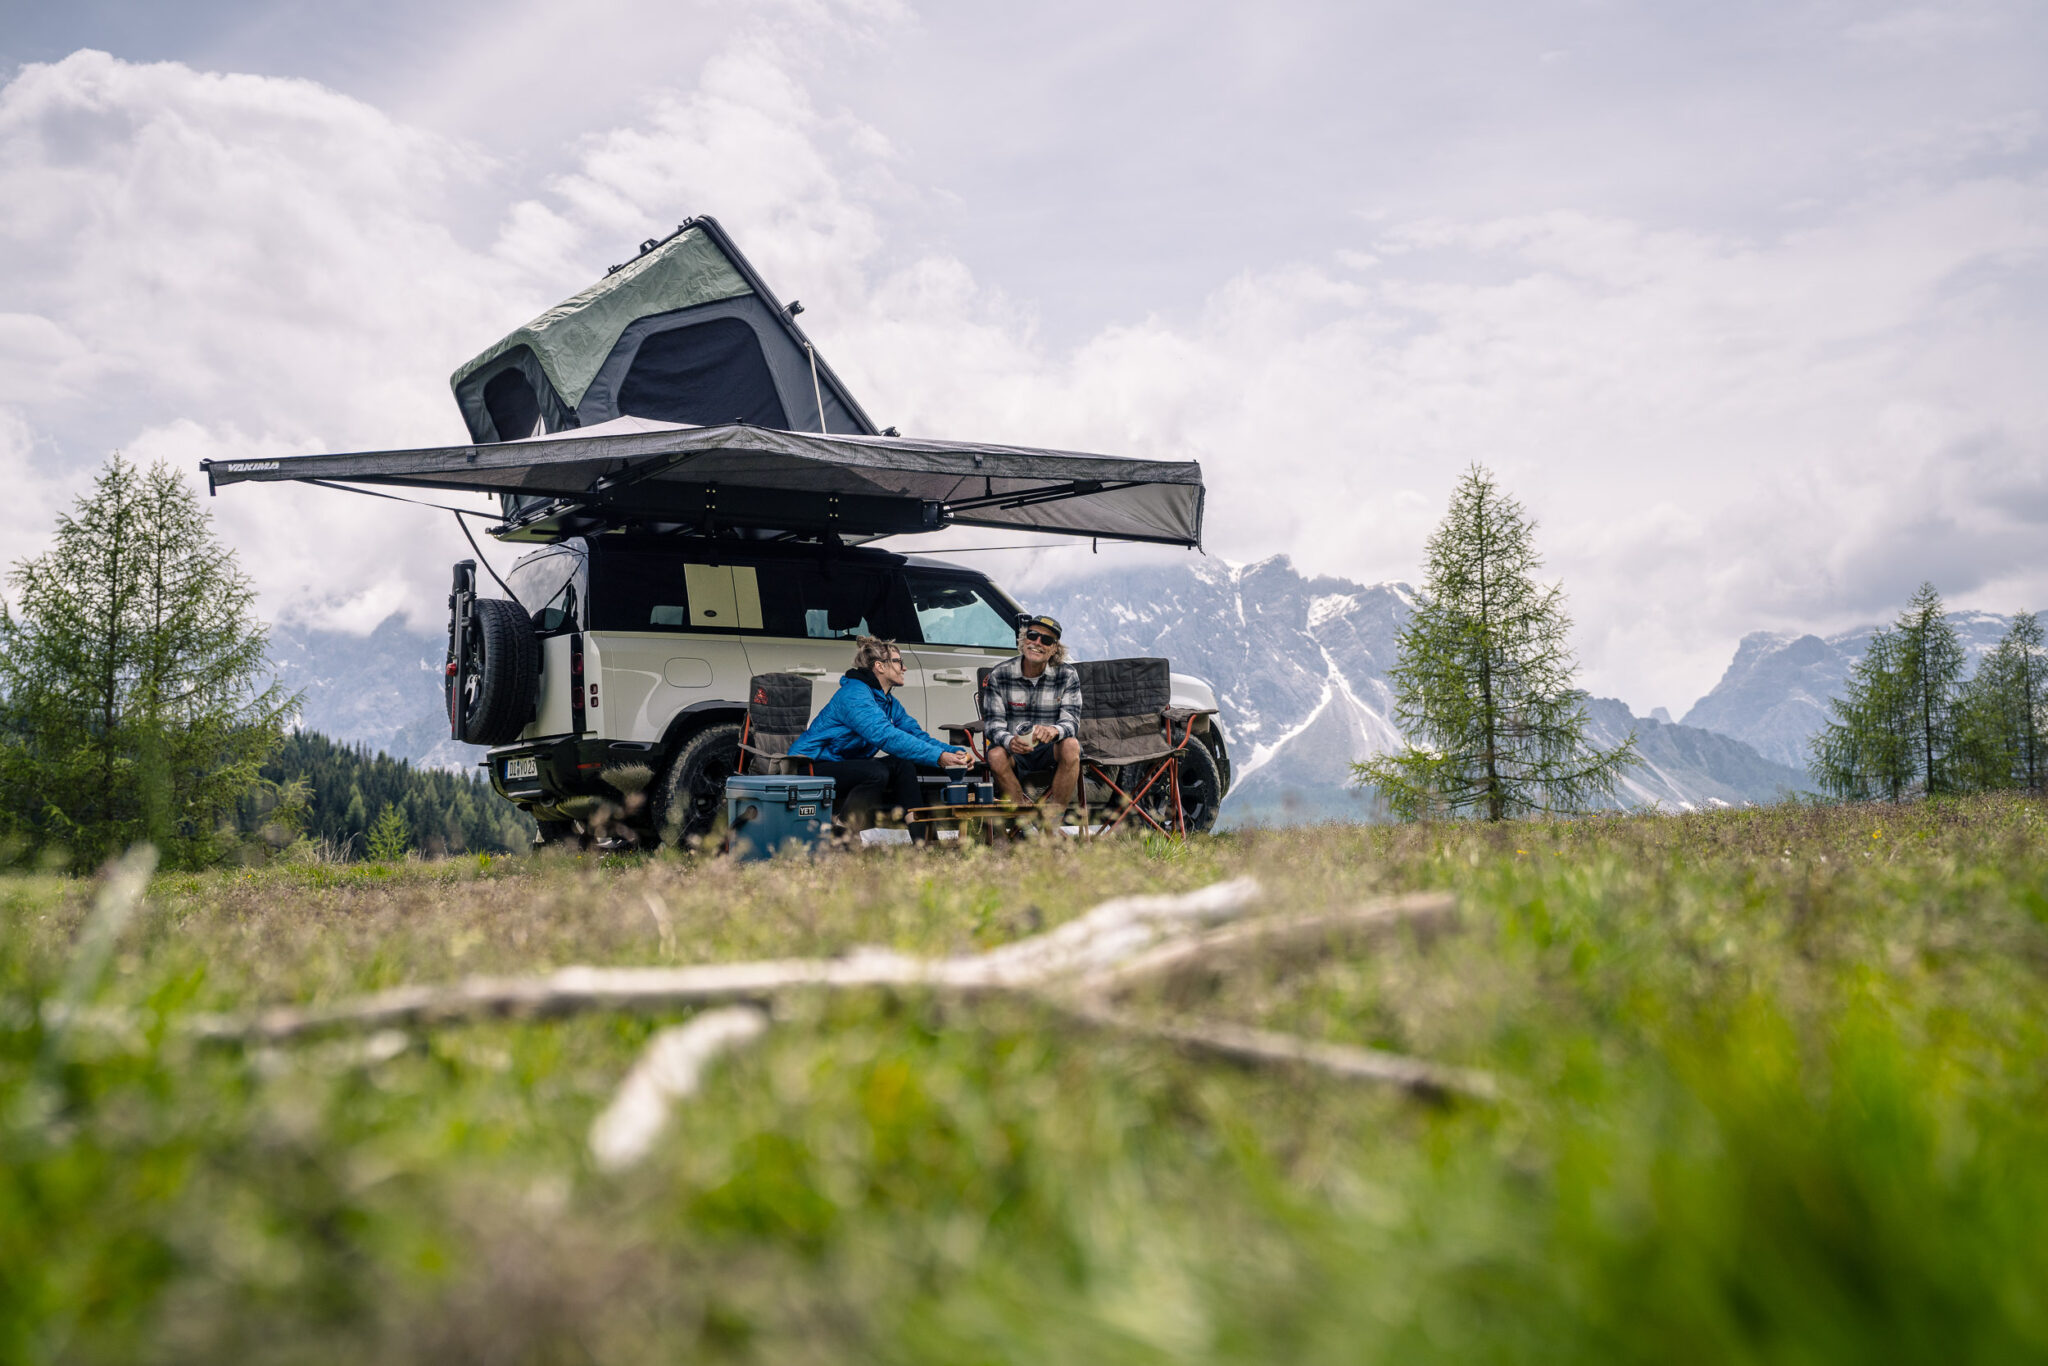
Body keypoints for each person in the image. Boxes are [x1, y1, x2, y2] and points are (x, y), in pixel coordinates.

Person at [788, 636, 972, 843]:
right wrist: (939, 757)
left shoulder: (888, 702)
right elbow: (885, 736)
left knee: (902, 765)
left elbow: (915, 735)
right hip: (811, 766)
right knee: (877, 772)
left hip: (844, 765)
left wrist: (954, 753)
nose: (904, 668)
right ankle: (841, 829)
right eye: (899, 662)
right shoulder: (854, 695)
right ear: (880, 666)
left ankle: (922, 840)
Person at [980, 613, 1083, 813]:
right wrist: (1010, 741)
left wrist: (1054, 730)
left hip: (1050, 749)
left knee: (1071, 745)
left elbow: (1072, 722)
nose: (1037, 642)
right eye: (1032, 635)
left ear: (1054, 649)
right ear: (1023, 639)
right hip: (1014, 749)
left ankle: (1051, 825)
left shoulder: (1068, 675)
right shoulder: (1000, 674)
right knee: (995, 755)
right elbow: (993, 725)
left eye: (1046, 640)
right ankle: (1025, 823)